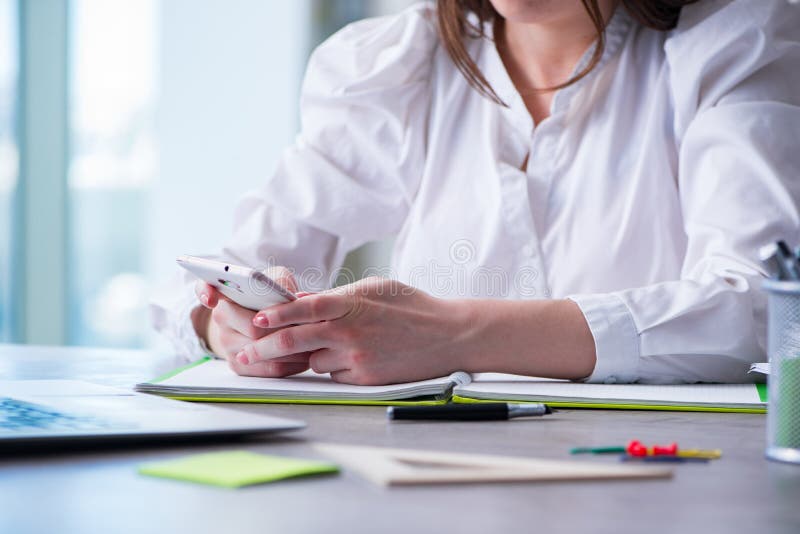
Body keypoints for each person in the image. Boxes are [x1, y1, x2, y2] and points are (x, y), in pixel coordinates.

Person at [152, 0, 800, 385]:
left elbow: (762, 313)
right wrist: (232, 324)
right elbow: (236, 270)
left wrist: (454, 334)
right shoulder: (400, 66)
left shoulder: (735, 47)